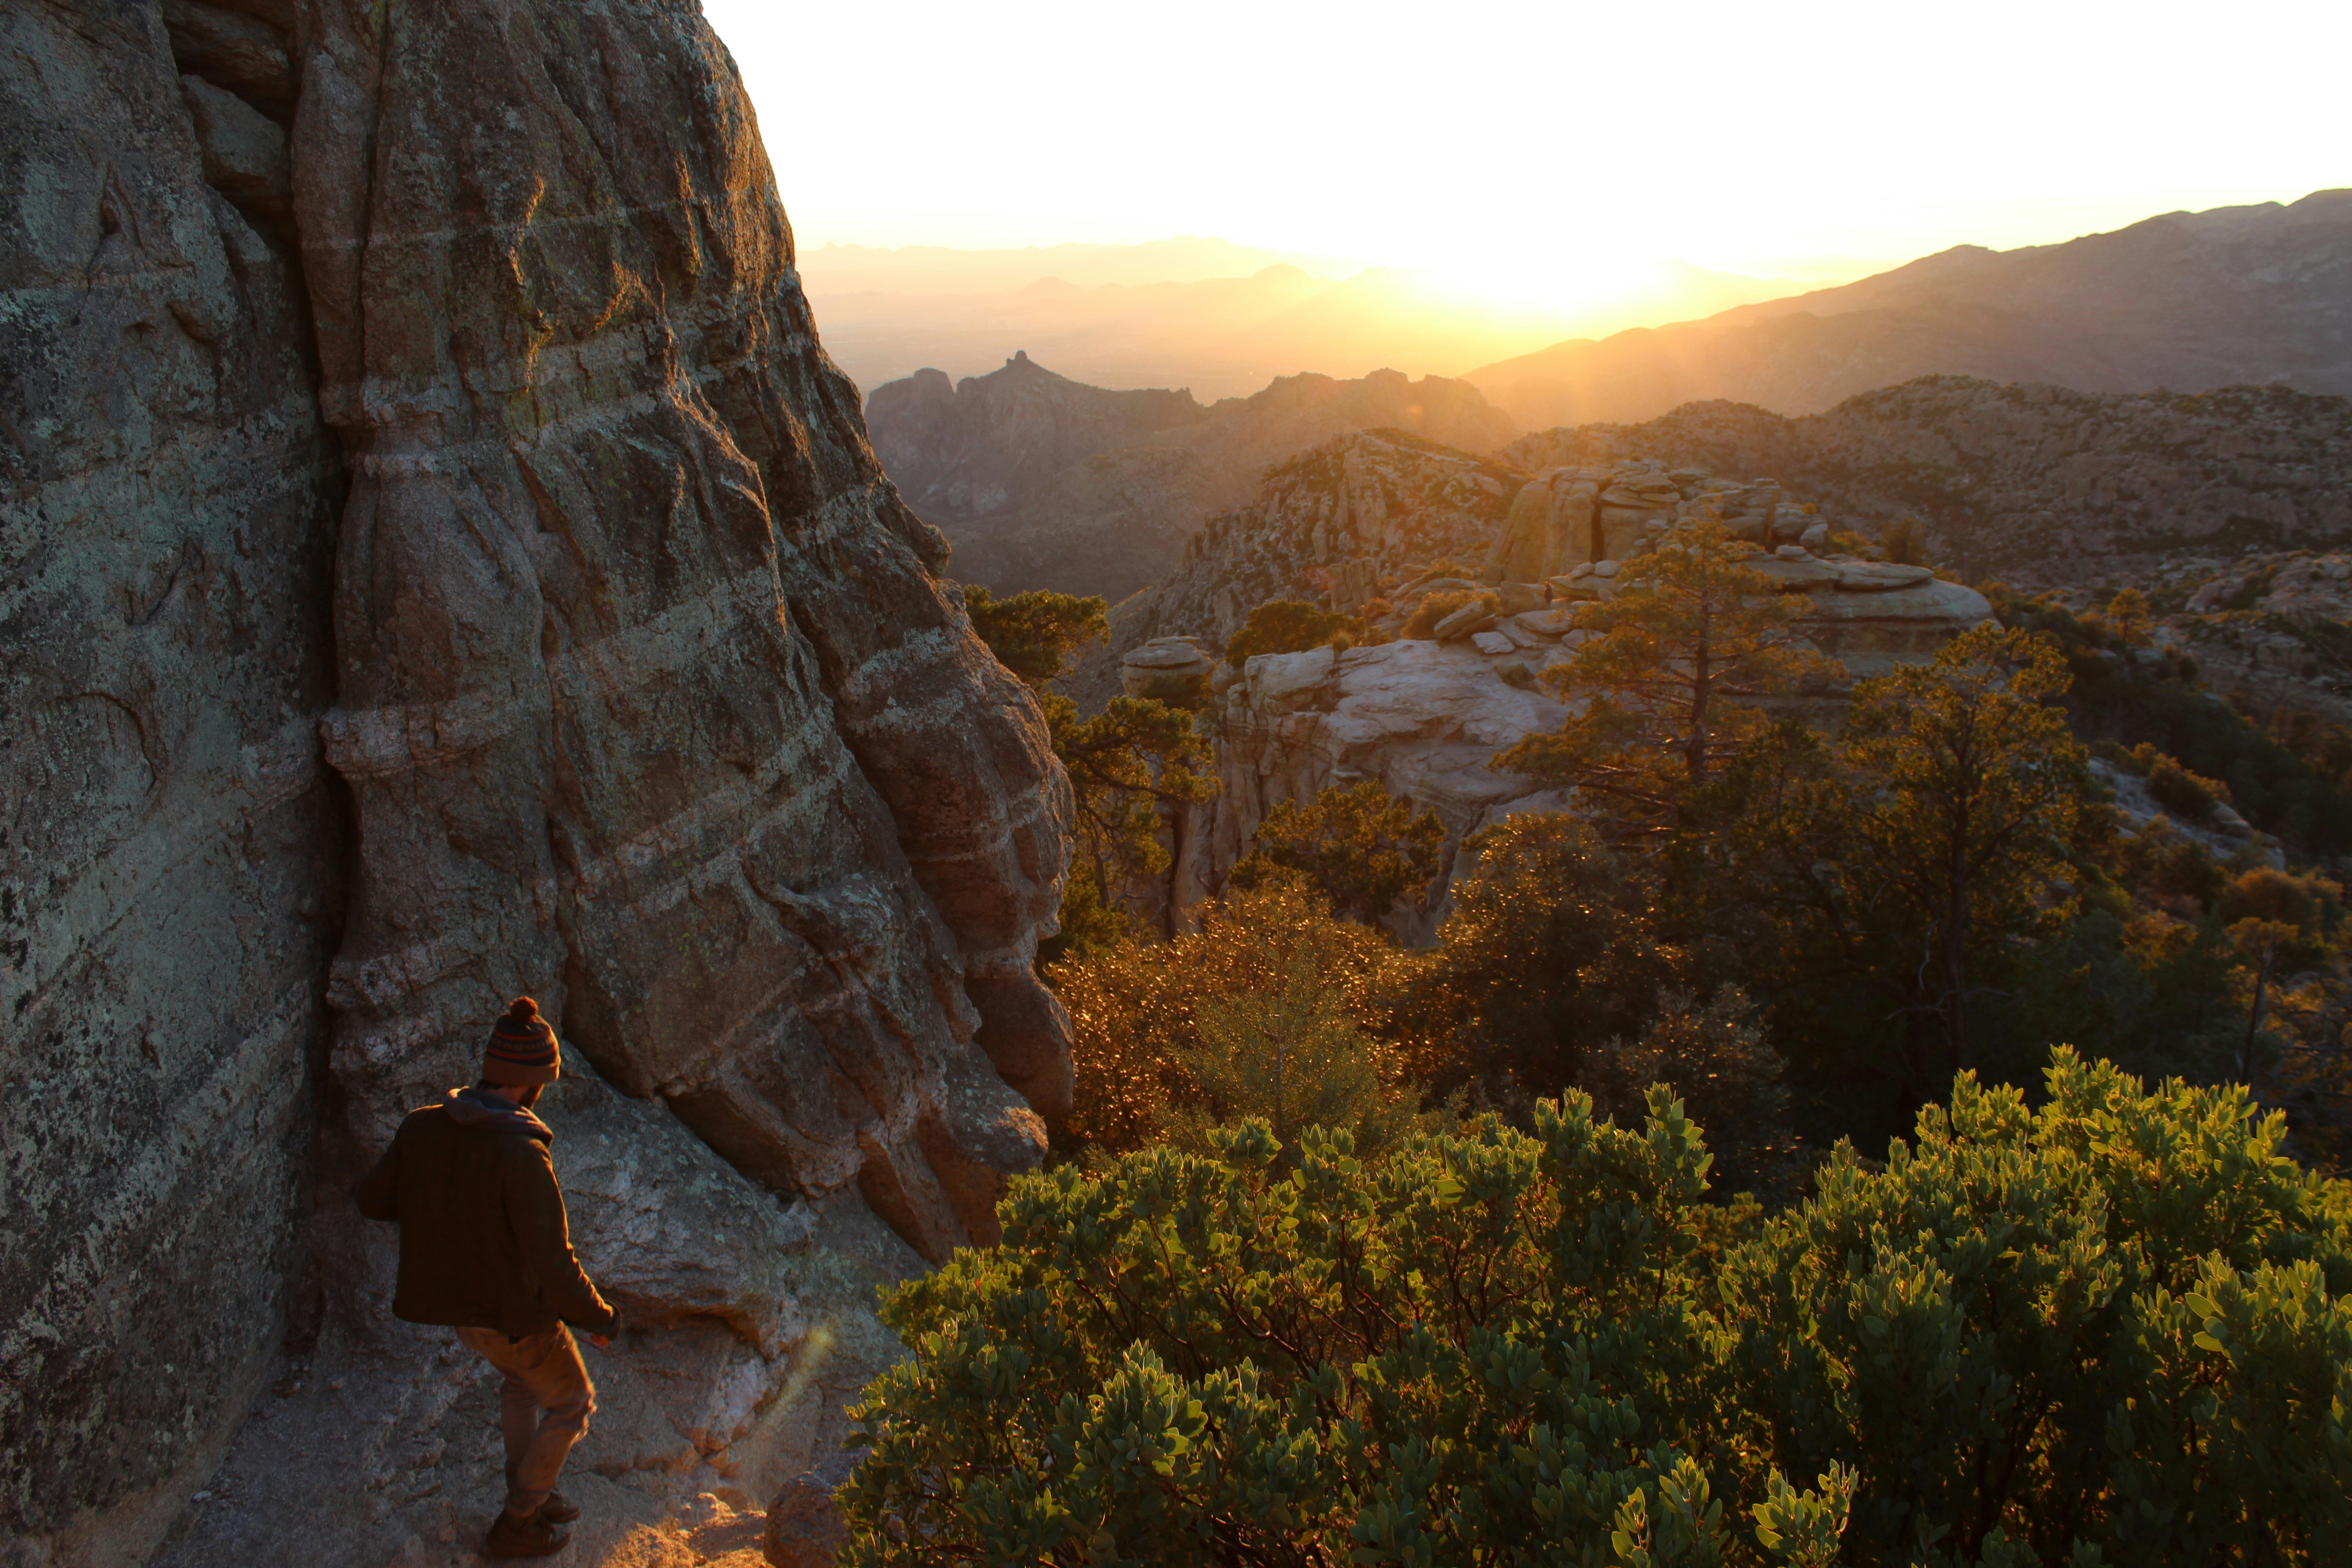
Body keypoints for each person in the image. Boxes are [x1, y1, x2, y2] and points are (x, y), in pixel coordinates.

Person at [356, 996, 621, 1559]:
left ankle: (531, 1487)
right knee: (572, 1403)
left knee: (521, 1384)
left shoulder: (423, 1127)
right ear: (533, 1083)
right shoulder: (523, 1155)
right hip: (516, 1318)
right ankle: (518, 1521)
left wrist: (444, 1212)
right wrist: (601, 1319)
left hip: (463, 1316)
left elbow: (374, 1200)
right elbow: (555, 1262)